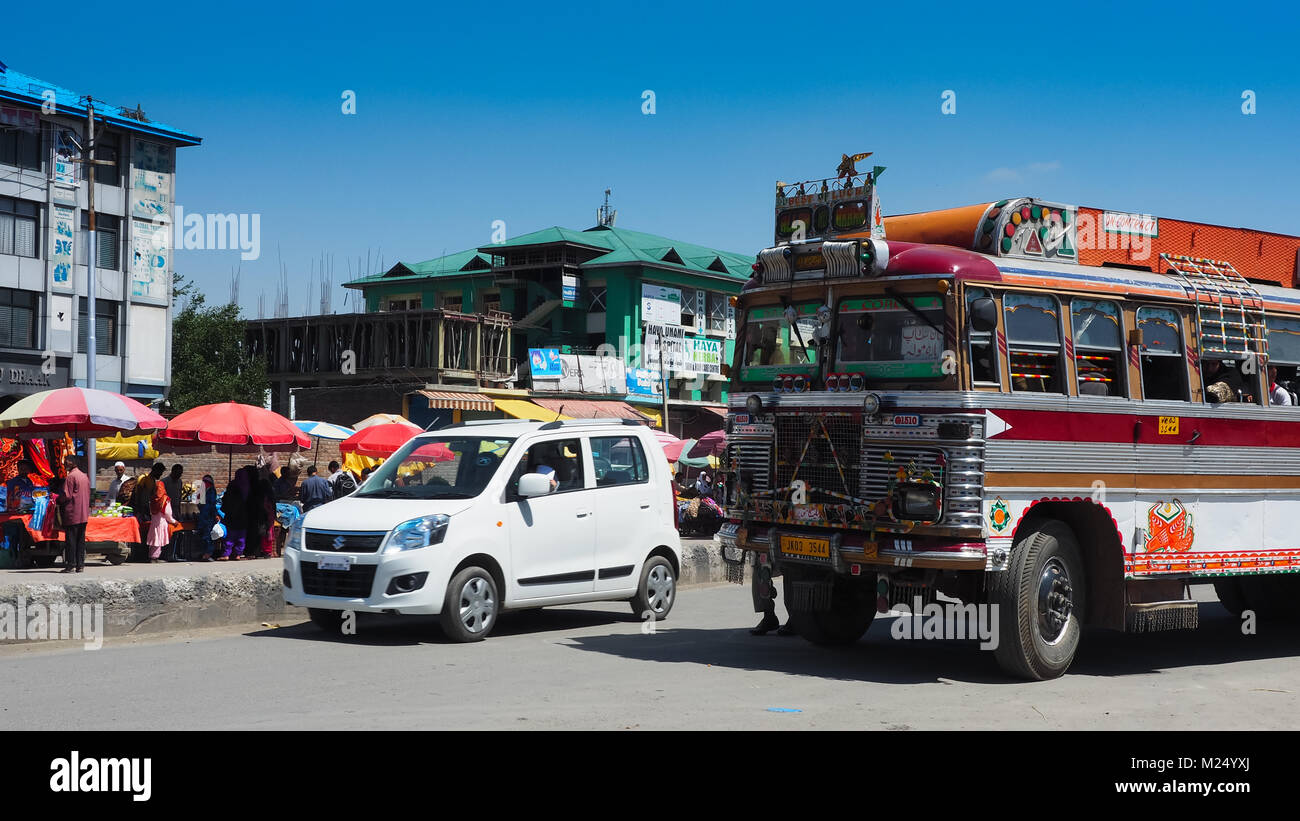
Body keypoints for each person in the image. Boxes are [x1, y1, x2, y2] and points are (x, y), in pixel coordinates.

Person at [58, 455, 90, 574]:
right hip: (83, 513)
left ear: (73, 463)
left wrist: (57, 499)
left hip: (73, 513)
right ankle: (80, 565)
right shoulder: (84, 476)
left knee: (71, 540)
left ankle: (71, 565)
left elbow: (66, 495)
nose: (65, 464)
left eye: (67, 462)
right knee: (80, 540)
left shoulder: (70, 477)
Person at [219, 467, 251, 560]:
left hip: (232, 515)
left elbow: (226, 499)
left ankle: (226, 554)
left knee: (230, 535)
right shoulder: (247, 486)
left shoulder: (233, 485)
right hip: (244, 514)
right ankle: (238, 554)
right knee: (241, 536)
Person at [147, 468, 177, 563]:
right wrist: (173, 521)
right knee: (158, 540)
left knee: (154, 540)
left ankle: (152, 556)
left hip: (154, 523)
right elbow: (168, 513)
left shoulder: (153, 499)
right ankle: (154, 557)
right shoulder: (165, 499)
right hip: (161, 522)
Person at [132, 463, 165, 543]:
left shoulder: (153, 481)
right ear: (155, 470)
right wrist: (139, 510)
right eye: (160, 472)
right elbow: (137, 494)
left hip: (146, 511)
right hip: (140, 511)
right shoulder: (144, 478)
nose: (160, 475)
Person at [195, 475, 220, 562]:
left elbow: (198, 504)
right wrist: (215, 514)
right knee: (207, 536)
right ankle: (207, 554)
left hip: (204, 516)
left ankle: (206, 553)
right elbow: (212, 504)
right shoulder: (210, 490)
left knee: (205, 536)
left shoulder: (203, 490)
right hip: (207, 516)